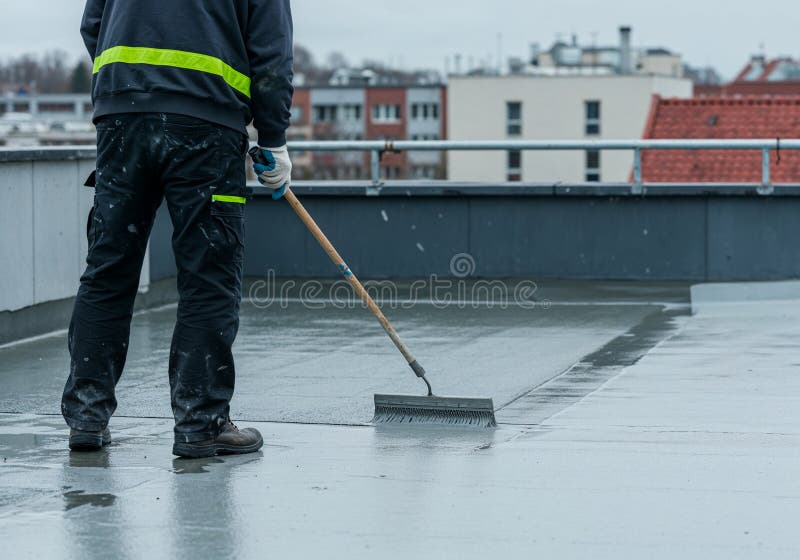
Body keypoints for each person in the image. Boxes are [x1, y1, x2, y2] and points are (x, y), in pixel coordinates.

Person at [62, 0, 294, 458]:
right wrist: (273, 139)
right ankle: (201, 423)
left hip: (121, 117)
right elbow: (271, 54)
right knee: (208, 276)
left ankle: (86, 416)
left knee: (109, 268)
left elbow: (93, 25)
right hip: (205, 123)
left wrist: (133, 86)